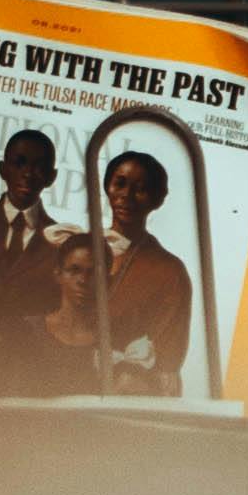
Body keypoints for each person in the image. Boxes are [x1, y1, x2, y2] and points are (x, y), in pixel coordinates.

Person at [59, 141, 194, 394]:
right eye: (119, 183)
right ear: (107, 187)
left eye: (141, 189)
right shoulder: (76, 251)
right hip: (62, 377)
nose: (127, 196)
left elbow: (168, 357)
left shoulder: (169, 271)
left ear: (157, 199)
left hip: (128, 390)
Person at [0, 124, 82, 397]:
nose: (28, 173)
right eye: (19, 163)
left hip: (28, 370)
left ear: (52, 177)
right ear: (2, 169)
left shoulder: (64, 243)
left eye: (40, 166)